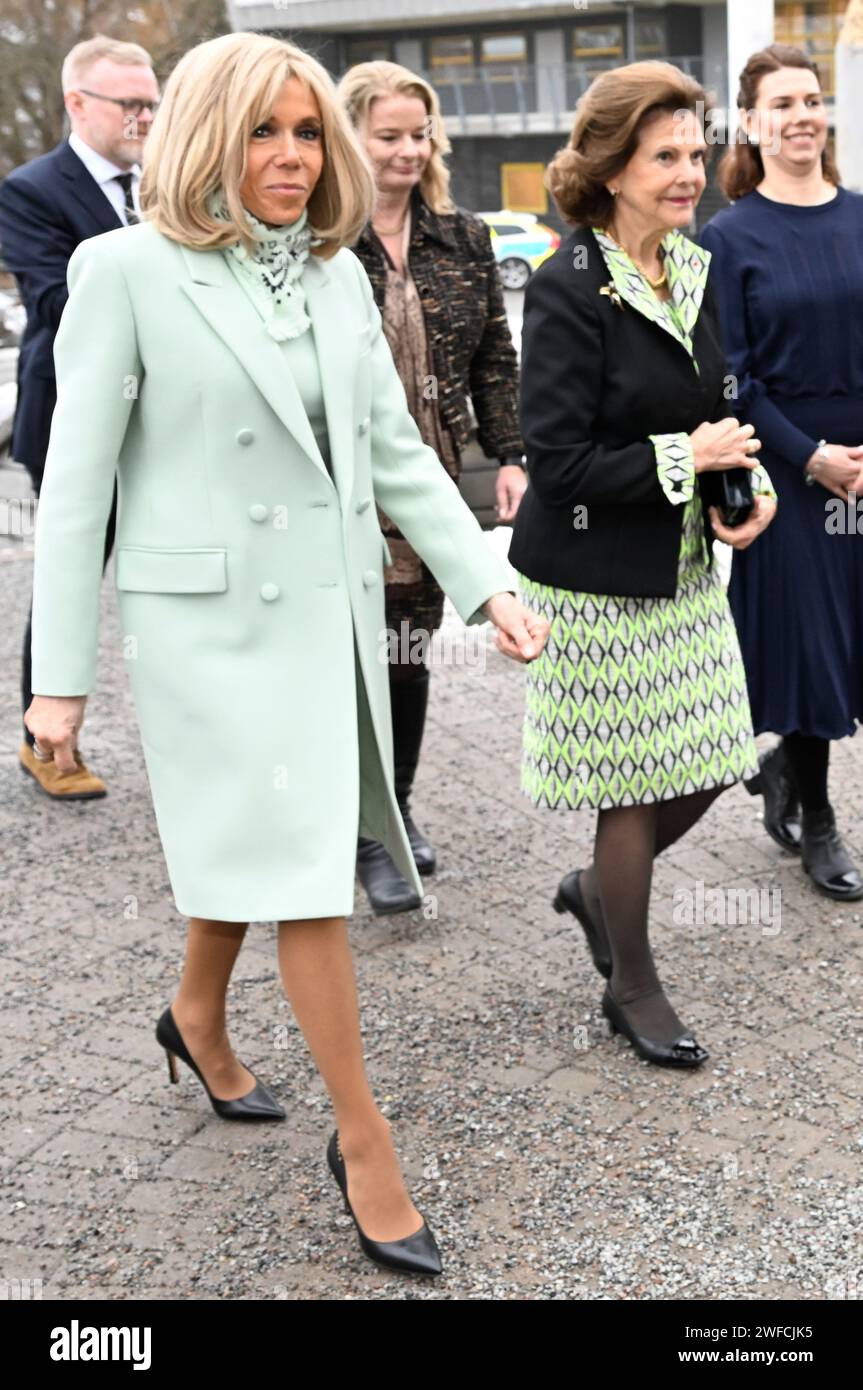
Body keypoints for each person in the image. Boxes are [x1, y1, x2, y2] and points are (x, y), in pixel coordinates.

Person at [24, 31, 548, 1278]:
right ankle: (364, 1141)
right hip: (205, 632)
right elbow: (76, 483)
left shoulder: (328, 278)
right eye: (264, 130)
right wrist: (59, 680)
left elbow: (391, 456)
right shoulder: (123, 270)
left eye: (307, 132)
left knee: (262, 840)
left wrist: (486, 584)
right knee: (307, 869)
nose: (291, 156)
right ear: (207, 133)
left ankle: (196, 1012)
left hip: (322, 621)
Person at [508, 61, 777, 1068]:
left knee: (712, 760)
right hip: (586, 577)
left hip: (681, 570)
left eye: (695, 151)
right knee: (627, 786)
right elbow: (557, 459)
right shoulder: (564, 288)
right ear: (611, 168)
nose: (687, 172)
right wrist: (687, 459)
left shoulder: (690, 265)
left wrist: (735, 498)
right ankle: (631, 980)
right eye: (663, 155)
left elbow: (702, 415)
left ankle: (595, 891)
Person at [337, 60, 528, 912]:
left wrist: (513, 454)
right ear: (351, 137)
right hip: (338, 487)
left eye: (421, 134)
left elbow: (495, 355)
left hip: (434, 481)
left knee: (405, 656)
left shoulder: (463, 237)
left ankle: (393, 814)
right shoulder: (316, 242)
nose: (410, 149)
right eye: (390, 135)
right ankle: (353, 826)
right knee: (346, 660)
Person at [700, 44, 863, 903]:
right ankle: (821, 827)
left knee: (850, 648)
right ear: (752, 122)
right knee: (808, 655)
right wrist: (811, 457)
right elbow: (734, 377)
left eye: (812, 99)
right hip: (787, 472)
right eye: (782, 103)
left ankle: (784, 772)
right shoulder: (727, 237)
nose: (802, 114)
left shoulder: (862, 214)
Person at [0, 34, 160, 799]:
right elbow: (58, 305)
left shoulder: (172, 180)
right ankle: (47, 740)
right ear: (78, 103)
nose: (145, 118)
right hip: (72, 419)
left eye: (152, 105)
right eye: (130, 104)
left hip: (165, 422)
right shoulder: (30, 189)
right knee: (70, 572)